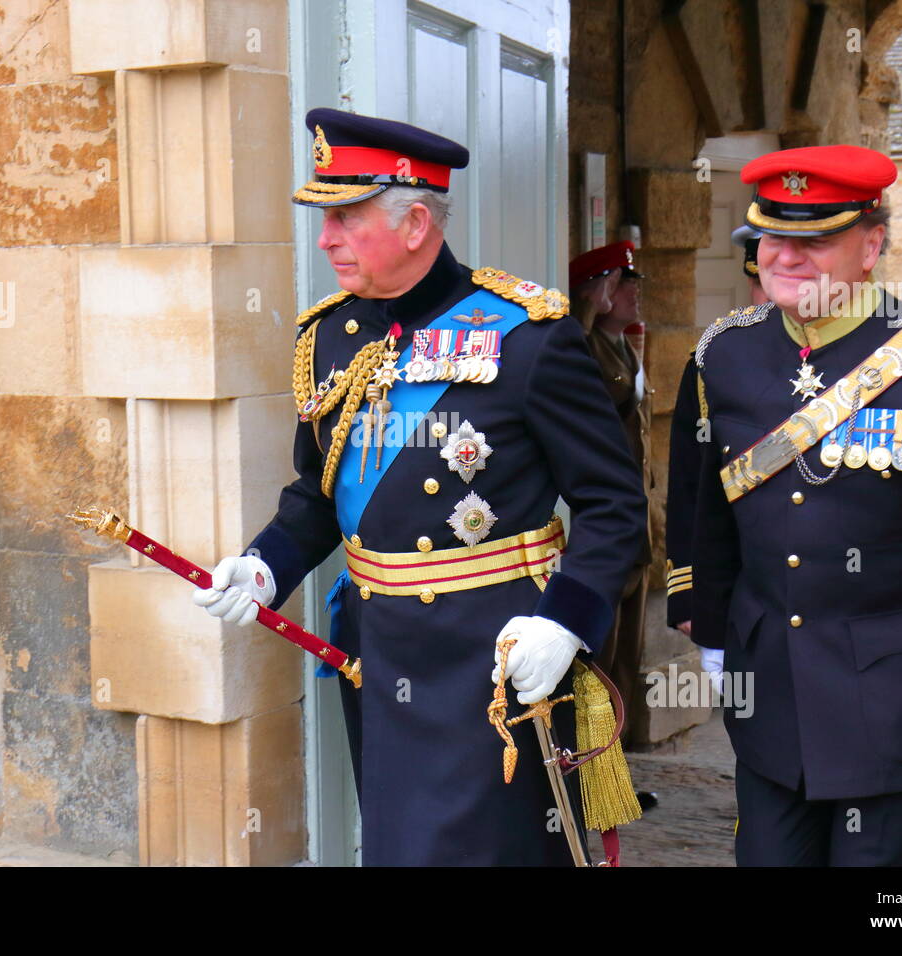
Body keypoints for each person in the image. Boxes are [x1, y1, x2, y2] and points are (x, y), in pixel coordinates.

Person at [192, 108, 648, 866]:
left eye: (344, 217)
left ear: (412, 222)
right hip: (377, 650)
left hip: (495, 660)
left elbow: (613, 502)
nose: (326, 238)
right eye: (323, 219)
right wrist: (267, 562)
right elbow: (320, 491)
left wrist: (566, 620)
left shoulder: (526, 335)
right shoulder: (330, 336)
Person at [690, 144, 902, 866]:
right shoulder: (724, 354)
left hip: (901, 694)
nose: (786, 256)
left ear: (871, 243)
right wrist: (712, 628)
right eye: (773, 237)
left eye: (815, 239)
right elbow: (705, 506)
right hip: (771, 691)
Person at [568, 243, 659, 799]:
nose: (634, 291)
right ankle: (592, 784)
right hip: (603, 532)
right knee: (596, 664)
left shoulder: (620, 348)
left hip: (634, 530)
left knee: (624, 661)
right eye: (623, 282)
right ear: (598, 290)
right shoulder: (584, 349)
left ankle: (615, 780)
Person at [666, 226, 764, 637]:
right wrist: (689, 595)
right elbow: (690, 481)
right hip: (745, 590)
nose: (774, 296)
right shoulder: (715, 358)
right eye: (761, 281)